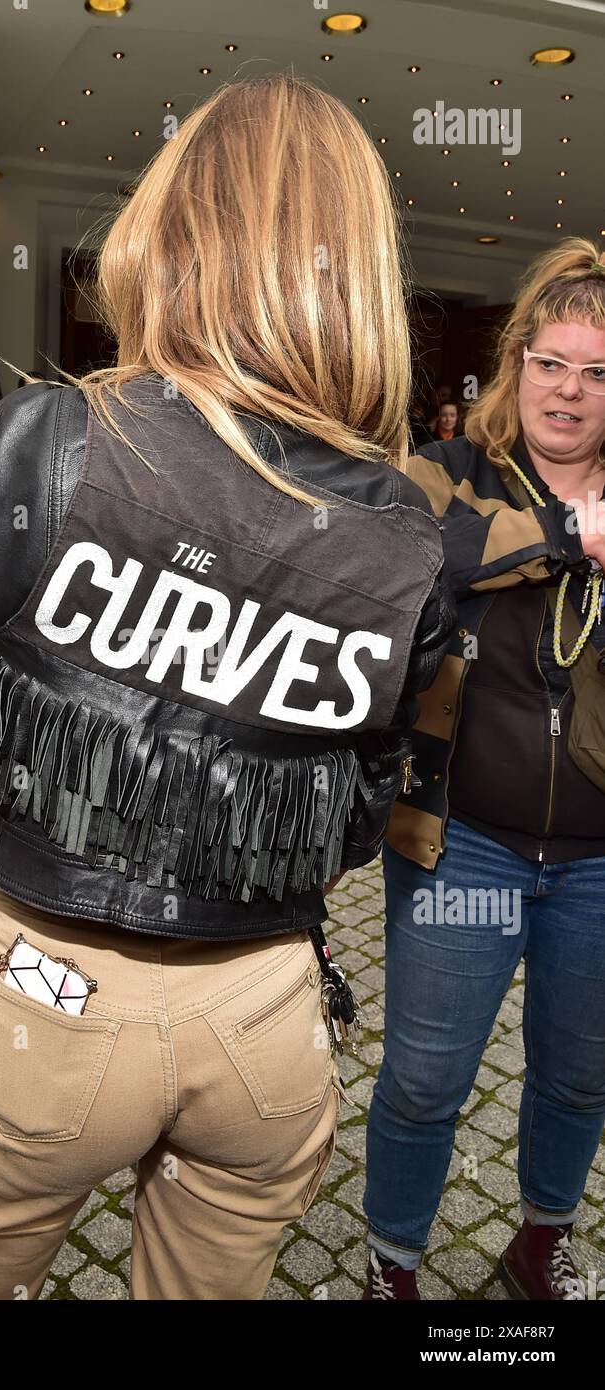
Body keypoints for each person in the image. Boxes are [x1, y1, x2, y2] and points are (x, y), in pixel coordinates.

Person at [0, 75, 453, 1301]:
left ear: (164, 240)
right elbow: (346, 827)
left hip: (49, 1004)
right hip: (264, 1022)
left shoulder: (37, 442)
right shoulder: (406, 540)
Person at [364, 238, 605, 1301]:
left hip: (598, 860)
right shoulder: (444, 469)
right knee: (422, 1079)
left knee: (578, 1076)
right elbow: (428, 558)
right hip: (459, 839)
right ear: (511, 365)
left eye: (598, 372)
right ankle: (391, 1262)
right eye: (550, 362)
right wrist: (570, 532)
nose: (569, 390)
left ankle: (537, 1240)